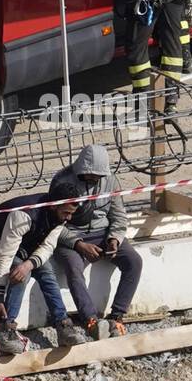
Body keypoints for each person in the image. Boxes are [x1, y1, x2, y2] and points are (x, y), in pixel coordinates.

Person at [0, 182, 87, 355]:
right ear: (53, 206)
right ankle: (5, 328)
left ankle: (63, 325)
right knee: (20, 274)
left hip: (25, 247)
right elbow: (5, 255)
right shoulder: (24, 215)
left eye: (71, 213)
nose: (69, 218)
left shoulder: (59, 216)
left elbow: (48, 247)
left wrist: (28, 264)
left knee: (46, 272)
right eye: (66, 213)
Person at [51, 144, 142, 338]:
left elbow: (118, 216)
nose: (94, 179)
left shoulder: (111, 181)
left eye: (98, 176)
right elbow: (55, 223)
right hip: (72, 237)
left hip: (103, 233)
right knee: (73, 266)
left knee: (134, 261)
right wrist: (79, 245)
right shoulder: (61, 181)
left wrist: (114, 239)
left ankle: (116, 317)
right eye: (90, 175)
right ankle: (90, 320)